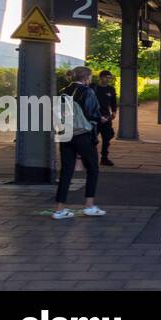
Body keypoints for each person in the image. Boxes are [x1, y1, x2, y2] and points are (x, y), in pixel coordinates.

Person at [53, 66, 106, 220]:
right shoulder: (87, 91)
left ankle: (59, 209)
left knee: (66, 171)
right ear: (86, 78)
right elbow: (93, 113)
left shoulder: (63, 91)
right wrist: (100, 119)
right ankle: (89, 206)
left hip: (65, 134)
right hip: (82, 134)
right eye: (90, 77)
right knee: (93, 168)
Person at [93, 70, 118, 166]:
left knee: (107, 138)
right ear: (101, 77)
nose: (108, 80)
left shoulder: (111, 89)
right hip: (95, 117)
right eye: (106, 77)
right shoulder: (94, 88)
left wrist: (114, 112)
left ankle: (104, 158)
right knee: (92, 139)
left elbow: (113, 102)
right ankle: (91, 158)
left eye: (109, 78)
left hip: (107, 117)